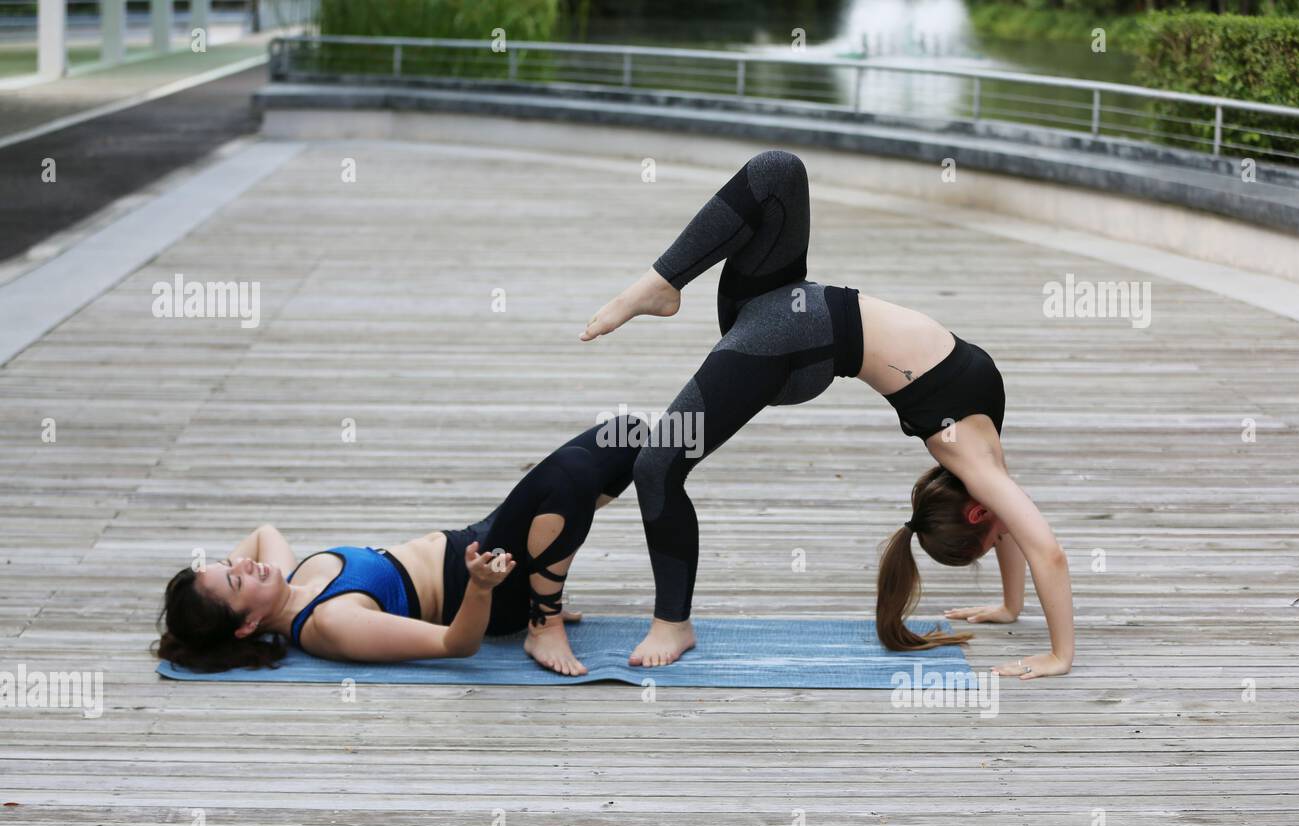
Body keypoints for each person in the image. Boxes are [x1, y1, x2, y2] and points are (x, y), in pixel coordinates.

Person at [582, 149, 1073, 680]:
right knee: (779, 171)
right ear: (981, 512)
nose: (1010, 530)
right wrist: (1022, 618)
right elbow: (1044, 549)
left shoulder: (967, 453)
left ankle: (672, 622)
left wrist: (1043, 638)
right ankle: (663, 282)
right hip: (782, 307)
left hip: (790, 344)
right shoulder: (983, 462)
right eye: (999, 533)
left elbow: (1026, 536)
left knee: (658, 465)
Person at [155, 418, 644, 676]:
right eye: (237, 579)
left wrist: (223, 581)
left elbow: (263, 532)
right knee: (575, 473)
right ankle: (544, 619)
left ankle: (544, 577)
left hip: (475, 537)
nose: (246, 563)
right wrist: (479, 587)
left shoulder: (288, 583)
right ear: (247, 626)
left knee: (626, 438)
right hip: (488, 582)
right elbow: (458, 645)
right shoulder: (328, 622)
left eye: (228, 562)